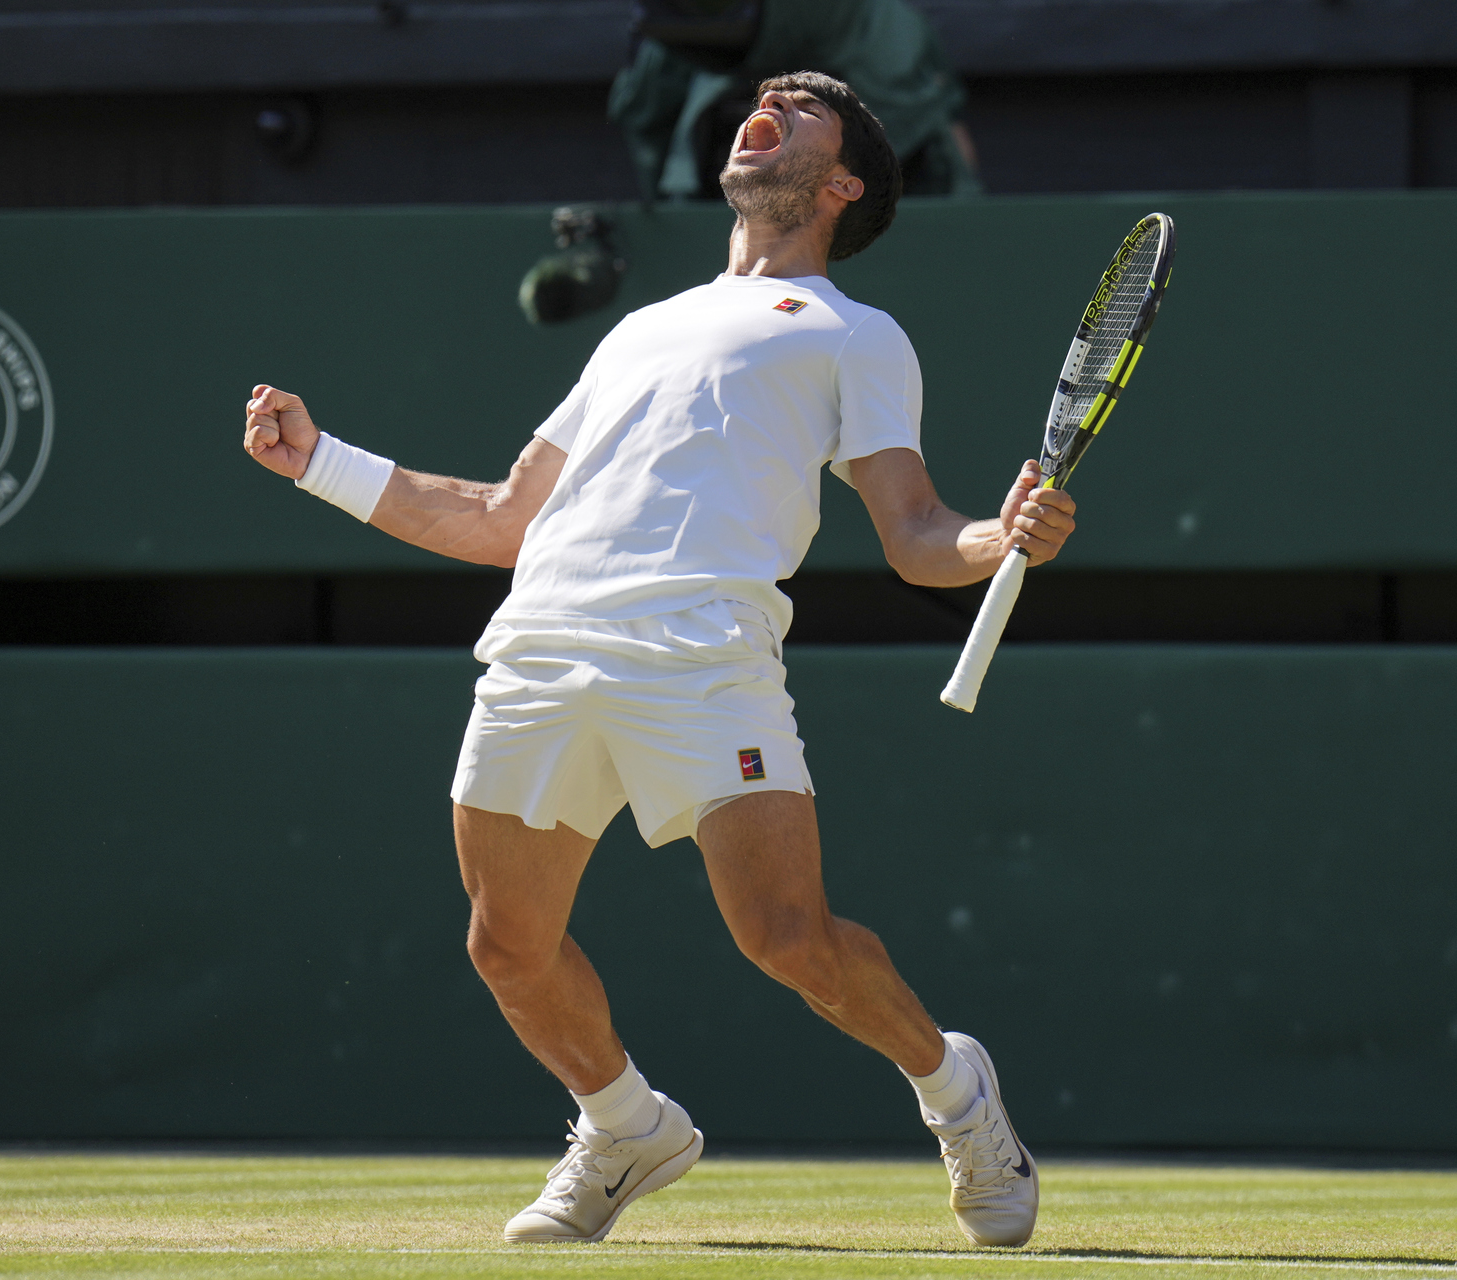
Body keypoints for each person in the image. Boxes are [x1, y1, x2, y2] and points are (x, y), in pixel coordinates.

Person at [242, 70, 1077, 1248]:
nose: (769, 102)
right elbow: (496, 515)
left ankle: (956, 1090)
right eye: (767, 94)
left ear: (840, 183)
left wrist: (1005, 536)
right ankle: (626, 1124)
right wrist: (319, 459)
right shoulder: (640, 329)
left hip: (703, 650)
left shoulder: (858, 334)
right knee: (506, 942)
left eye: (805, 104)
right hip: (545, 639)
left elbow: (917, 533)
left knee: (789, 938)